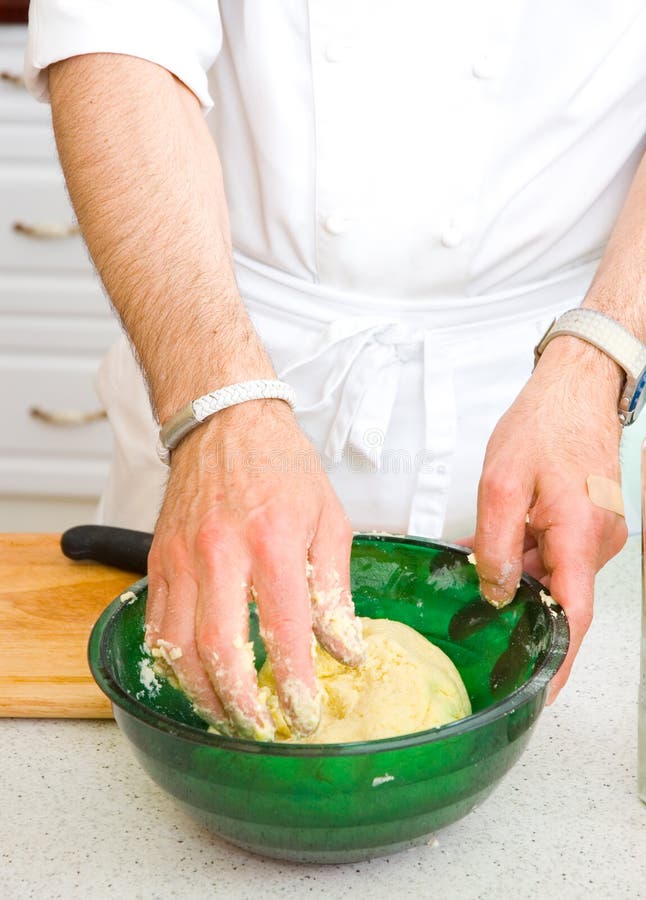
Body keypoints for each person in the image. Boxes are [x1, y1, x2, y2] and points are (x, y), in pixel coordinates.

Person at [26, 2, 644, 739]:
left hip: (555, 384)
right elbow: (116, 35)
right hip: (213, 341)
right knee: (186, 682)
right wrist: (220, 406)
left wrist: (601, 352)